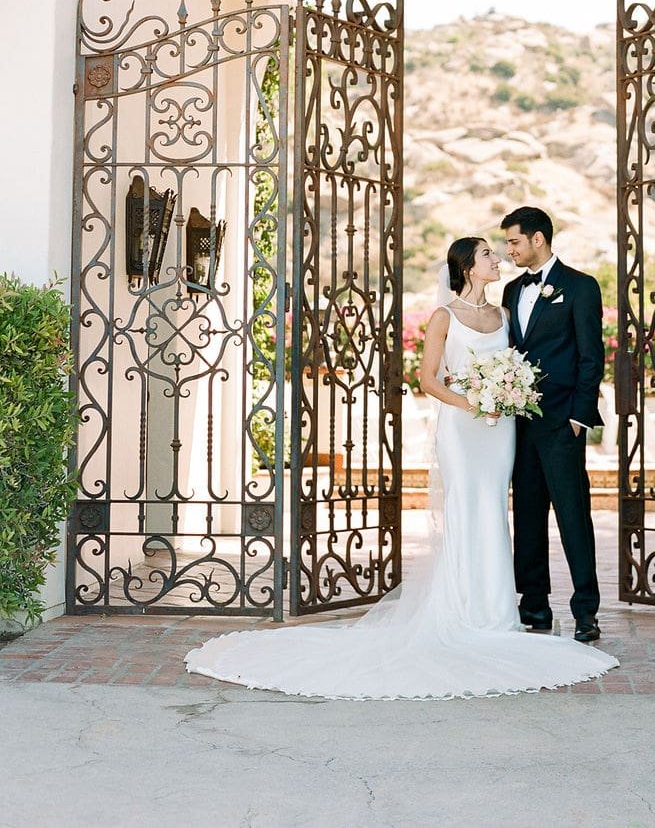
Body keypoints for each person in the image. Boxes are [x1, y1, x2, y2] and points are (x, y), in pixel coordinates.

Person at [183, 235, 617, 699]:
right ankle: (465, 609)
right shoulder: (442, 316)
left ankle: (499, 610)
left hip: (501, 430)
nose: (498, 258)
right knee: (465, 507)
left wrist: (505, 396)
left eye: (500, 248)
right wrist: (472, 401)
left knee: (494, 508)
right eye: (489, 253)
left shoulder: (505, 312)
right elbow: (429, 379)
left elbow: (522, 361)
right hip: (465, 426)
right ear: (468, 268)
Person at [501, 206, 604, 644]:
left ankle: (586, 612)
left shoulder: (580, 287)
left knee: (573, 517)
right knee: (526, 517)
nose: (509, 250)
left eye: (514, 242)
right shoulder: (509, 291)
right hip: (518, 426)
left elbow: (591, 356)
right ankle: (534, 606)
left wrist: (580, 417)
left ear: (538, 239)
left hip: (563, 423)